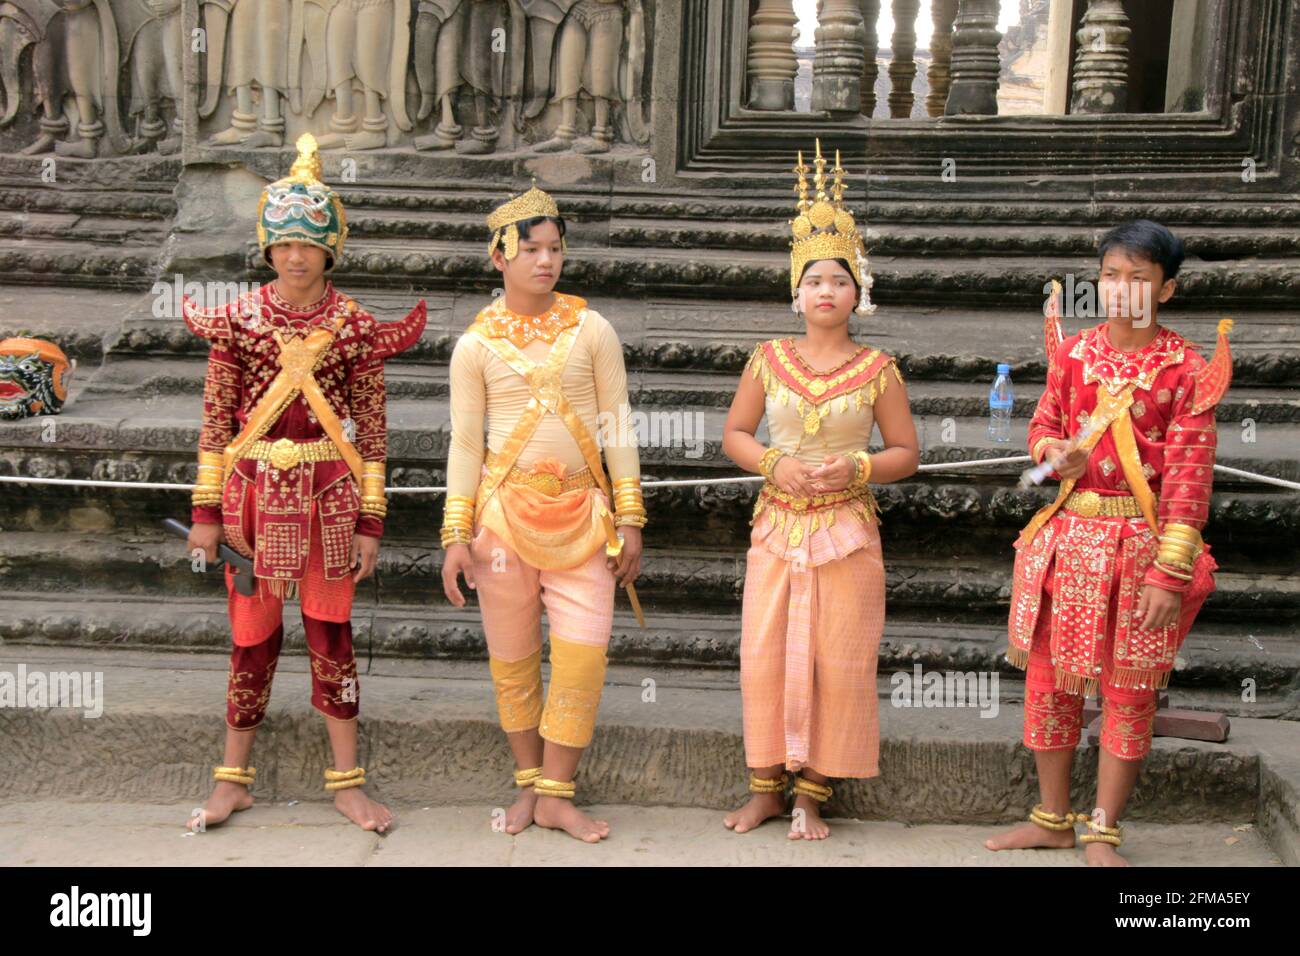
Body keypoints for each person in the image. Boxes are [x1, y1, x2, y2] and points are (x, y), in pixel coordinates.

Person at [183, 133, 427, 833]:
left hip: (330, 498)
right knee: (250, 640)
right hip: (250, 498)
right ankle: (232, 779)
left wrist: (372, 520)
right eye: (284, 243)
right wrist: (204, 511)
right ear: (267, 248)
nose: (296, 256)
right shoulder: (236, 322)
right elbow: (215, 422)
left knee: (332, 636)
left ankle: (347, 782)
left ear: (330, 250)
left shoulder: (354, 328)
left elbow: (373, 431)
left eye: (308, 244)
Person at [986, 220, 1232, 865]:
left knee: (1129, 692)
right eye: (1111, 276)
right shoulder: (1074, 355)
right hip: (1066, 546)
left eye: (1139, 279)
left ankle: (1102, 829)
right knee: (1049, 685)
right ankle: (1052, 818)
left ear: (1167, 289)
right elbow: (1044, 425)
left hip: (1142, 553)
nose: (1122, 291)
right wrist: (1051, 454)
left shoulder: (1186, 373)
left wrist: (1170, 575)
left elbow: (1189, 483)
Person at [721, 141, 919, 840]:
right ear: (796, 292)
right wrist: (773, 465)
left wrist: (858, 468)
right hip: (778, 525)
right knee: (766, 656)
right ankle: (765, 788)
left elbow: (906, 452)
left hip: (845, 531)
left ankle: (814, 793)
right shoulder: (767, 359)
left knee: (838, 659)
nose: (826, 291)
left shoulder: (878, 368)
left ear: (857, 291)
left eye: (839, 279)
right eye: (814, 281)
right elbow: (736, 434)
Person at [439, 181, 645, 843]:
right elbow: (467, 443)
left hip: (584, 514)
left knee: (582, 656)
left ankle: (559, 792)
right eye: (530, 249)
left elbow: (618, 427)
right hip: (500, 520)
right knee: (513, 656)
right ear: (498, 256)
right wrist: (454, 533)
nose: (545, 261)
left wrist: (632, 515)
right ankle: (531, 783)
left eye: (555, 248)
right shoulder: (474, 346)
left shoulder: (593, 330)